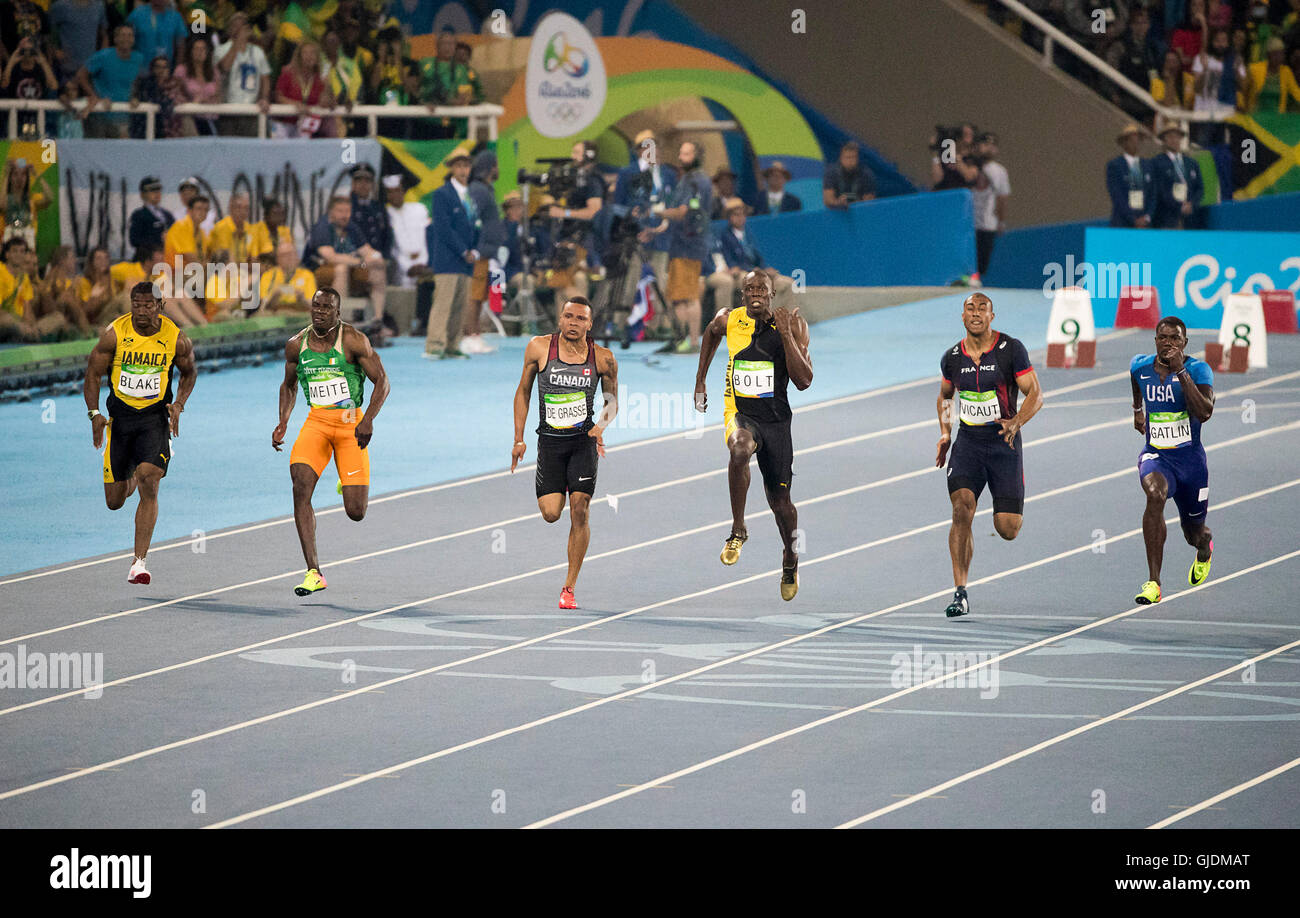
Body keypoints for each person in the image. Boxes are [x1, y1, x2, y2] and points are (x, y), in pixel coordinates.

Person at [694, 270, 812, 600]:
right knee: (739, 450)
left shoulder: (793, 325)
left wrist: (787, 334)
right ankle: (738, 529)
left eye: (762, 288)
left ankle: (790, 557)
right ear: (742, 294)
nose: (756, 293)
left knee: (781, 504)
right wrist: (700, 380)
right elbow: (710, 333)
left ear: (773, 294)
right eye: (750, 289)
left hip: (776, 422)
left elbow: (804, 381)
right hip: (740, 414)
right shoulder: (729, 320)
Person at [272, 286, 391, 597]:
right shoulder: (296, 345)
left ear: (338, 313)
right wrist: (283, 420)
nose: (320, 312)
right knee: (300, 485)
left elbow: (383, 382)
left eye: (326, 308)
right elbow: (288, 385)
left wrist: (368, 420)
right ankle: (314, 571)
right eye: (316, 307)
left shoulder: (352, 340)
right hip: (317, 423)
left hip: (351, 425)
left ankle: (346, 479)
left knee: (356, 511)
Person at [935, 293, 1042, 618]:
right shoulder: (952, 357)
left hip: (1003, 443)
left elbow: (1035, 394)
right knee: (961, 510)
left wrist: (1016, 421)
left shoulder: (1012, 350)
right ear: (963, 315)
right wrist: (945, 432)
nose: (976, 313)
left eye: (983, 308)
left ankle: (1007, 505)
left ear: (992, 316)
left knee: (1008, 528)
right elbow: (944, 396)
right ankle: (960, 592)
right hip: (968, 442)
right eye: (970, 308)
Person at [83, 281, 197, 585]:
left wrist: (179, 404)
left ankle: (139, 562)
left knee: (150, 479)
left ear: (160, 307)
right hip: (119, 421)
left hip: (153, 419)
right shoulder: (115, 335)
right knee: (115, 500)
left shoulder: (175, 338)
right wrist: (94, 414)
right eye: (137, 305)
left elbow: (189, 372)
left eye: (148, 306)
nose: (142, 311)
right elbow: (93, 373)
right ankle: (132, 469)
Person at [510, 296, 618, 610]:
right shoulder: (539, 348)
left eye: (580, 319)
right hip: (550, 442)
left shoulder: (603, 358)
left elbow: (612, 401)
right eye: (568, 317)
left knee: (580, 509)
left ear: (590, 324)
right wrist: (519, 439)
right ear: (560, 319)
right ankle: (567, 486)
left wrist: (601, 425)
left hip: (583, 441)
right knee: (551, 514)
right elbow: (523, 391)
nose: (573, 323)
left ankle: (569, 587)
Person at [1131, 316, 1215, 605]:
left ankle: (1204, 549)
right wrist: (1137, 409)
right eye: (1163, 338)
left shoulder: (1198, 370)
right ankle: (1153, 582)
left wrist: (1181, 372)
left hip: (1191, 464)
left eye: (1175, 339)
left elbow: (1204, 412)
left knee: (1194, 534)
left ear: (1185, 343)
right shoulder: (1140, 366)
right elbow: (1134, 377)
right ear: (1155, 340)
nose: (1168, 343)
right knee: (1155, 494)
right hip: (1157, 455)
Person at [655, 140, 711, 353]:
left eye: (686, 153)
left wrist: (658, 211)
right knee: (683, 295)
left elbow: (682, 212)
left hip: (688, 245)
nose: (681, 157)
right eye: (680, 152)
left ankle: (689, 341)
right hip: (685, 244)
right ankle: (687, 340)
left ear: (697, 156)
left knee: (685, 296)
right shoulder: (690, 179)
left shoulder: (694, 181)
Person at [303, 195, 387, 328]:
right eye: (340, 211)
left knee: (378, 270)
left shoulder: (351, 227)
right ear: (331, 212)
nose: (345, 215)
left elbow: (367, 251)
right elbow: (330, 257)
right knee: (341, 268)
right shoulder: (322, 227)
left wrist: (376, 258)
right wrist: (361, 262)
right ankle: (341, 319)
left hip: (350, 268)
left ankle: (378, 319)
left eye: (347, 211)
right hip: (317, 271)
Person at [425, 152, 479, 359]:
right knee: (443, 303)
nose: (463, 170)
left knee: (460, 305)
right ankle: (435, 344)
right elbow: (443, 228)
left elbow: (476, 226)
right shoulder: (442, 194)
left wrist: (475, 250)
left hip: (467, 261)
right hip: (448, 259)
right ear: (452, 169)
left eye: (466, 165)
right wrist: (463, 250)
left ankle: (452, 344)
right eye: (459, 166)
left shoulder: (472, 195)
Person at [715, 198, 795, 310]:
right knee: (755, 282)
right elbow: (729, 260)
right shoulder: (724, 236)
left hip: (755, 270)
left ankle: (786, 321)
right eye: (736, 215)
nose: (740, 217)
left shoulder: (748, 234)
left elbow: (757, 256)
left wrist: (765, 269)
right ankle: (758, 322)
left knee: (788, 283)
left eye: (742, 214)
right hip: (740, 273)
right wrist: (753, 270)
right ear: (729, 218)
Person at [464, 149, 501, 354]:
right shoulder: (478, 189)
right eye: (495, 165)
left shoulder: (485, 188)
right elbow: (471, 218)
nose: (498, 169)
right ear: (490, 168)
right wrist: (475, 248)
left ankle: (475, 334)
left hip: (486, 250)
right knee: (474, 295)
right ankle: (470, 335)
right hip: (479, 250)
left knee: (479, 294)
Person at [78, 23, 143, 139]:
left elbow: (139, 83)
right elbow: (81, 75)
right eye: (123, 35)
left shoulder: (139, 59)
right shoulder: (103, 56)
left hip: (126, 117)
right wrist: (94, 96)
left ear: (134, 39)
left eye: (130, 35)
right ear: (116, 39)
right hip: (101, 116)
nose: (126, 39)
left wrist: (136, 97)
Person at [215, 12, 273, 137]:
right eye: (235, 26)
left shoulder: (258, 52)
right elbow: (224, 68)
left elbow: (265, 79)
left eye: (243, 26)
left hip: (251, 111)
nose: (239, 29)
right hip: (228, 111)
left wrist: (264, 97)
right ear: (230, 29)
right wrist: (237, 43)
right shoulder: (221, 49)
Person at [273, 40, 334, 138]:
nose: (309, 56)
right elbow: (278, 97)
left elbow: (327, 102)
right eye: (305, 53)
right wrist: (296, 104)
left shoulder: (320, 79)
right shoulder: (288, 74)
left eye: (312, 53)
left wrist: (327, 85)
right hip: (285, 122)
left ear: (317, 58)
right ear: (299, 56)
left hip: (307, 125)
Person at [1, 34, 59, 135]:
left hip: (37, 116)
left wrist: (42, 61)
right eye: (24, 49)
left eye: (30, 50)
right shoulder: (14, 68)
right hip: (17, 117)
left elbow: (54, 86)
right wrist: (12, 60)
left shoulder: (40, 68)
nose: (27, 53)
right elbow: (4, 85)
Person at [1150, 121, 1203, 229]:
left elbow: (1200, 188)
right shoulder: (1157, 162)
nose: (1174, 140)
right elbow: (1160, 189)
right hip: (1166, 217)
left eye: (1177, 137)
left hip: (1190, 217)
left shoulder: (1191, 163)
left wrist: (1192, 204)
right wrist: (1178, 206)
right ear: (1164, 140)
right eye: (1170, 137)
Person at [971, 132, 1010, 278]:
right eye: (985, 144)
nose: (989, 148)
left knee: (981, 265)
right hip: (969, 224)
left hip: (987, 225)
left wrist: (1001, 220)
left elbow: (1002, 198)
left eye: (992, 145)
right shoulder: (969, 166)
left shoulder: (999, 171)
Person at [384, 173, 430, 290]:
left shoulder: (419, 209)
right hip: (401, 266)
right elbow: (394, 249)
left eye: (398, 190)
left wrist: (423, 263)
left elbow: (427, 238)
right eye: (390, 192)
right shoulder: (385, 214)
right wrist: (407, 267)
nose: (395, 195)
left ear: (403, 191)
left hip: (424, 261)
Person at [48, 0, 110, 85]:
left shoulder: (99, 5)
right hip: (67, 69)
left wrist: (102, 58)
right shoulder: (60, 6)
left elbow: (104, 34)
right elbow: (47, 32)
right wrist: (55, 50)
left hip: (91, 69)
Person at [1107, 123, 1154, 227]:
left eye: (1138, 140)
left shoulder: (1147, 165)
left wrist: (1147, 217)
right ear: (1124, 143)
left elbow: (1153, 193)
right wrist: (1132, 218)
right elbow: (1117, 195)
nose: (1136, 143)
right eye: (1132, 140)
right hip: (1122, 221)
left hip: (1144, 221)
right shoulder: (1115, 165)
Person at [173, 33, 220, 136]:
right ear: (191, 51)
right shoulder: (181, 71)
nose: (200, 52)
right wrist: (194, 102)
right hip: (191, 119)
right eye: (196, 49)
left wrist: (210, 99)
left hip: (211, 118)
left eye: (203, 49)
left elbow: (219, 94)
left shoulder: (214, 72)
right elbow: (175, 95)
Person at [260, 239, 317, 312]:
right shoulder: (268, 276)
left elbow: (312, 305)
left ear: (297, 256)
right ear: (278, 259)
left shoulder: (307, 275)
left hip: (299, 314)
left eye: (291, 253)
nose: (289, 257)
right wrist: (275, 296)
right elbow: (263, 306)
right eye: (284, 255)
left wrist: (302, 299)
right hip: (276, 314)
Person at [127, 0, 187, 68]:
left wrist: (178, 69)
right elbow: (125, 42)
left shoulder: (175, 17)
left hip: (166, 72)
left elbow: (181, 46)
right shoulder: (137, 14)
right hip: (141, 70)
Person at [1247, 37, 1300, 112]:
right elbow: (1245, 91)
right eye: (1275, 54)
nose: (1279, 57)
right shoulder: (1254, 69)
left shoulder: (1286, 72)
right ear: (1268, 55)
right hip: (1255, 116)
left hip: (1277, 118)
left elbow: (1296, 93)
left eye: (1281, 54)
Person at [128, 176, 174, 256]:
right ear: (143, 194)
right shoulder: (138, 215)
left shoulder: (167, 214)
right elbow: (134, 241)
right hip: (147, 259)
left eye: (158, 190)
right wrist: (158, 239)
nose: (157, 193)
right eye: (152, 190)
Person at [209, 192, 257, 269]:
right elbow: (227, 261)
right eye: (239, 207)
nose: (242, 211)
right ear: (231, 208)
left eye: (246, 208)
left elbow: (254, 260)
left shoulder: (250, 230)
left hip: (243, 274)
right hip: (222, 272)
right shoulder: (222, 227)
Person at [824, 140, 877, 208]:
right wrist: (838, 203)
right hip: (837, 212)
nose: (850, 161)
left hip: (859, 210)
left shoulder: (866, 174)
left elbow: (869, 202)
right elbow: (828, 200)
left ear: (857, 159)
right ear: (841, 159)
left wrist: (857, 205)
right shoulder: (831, 173)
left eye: (853, 157)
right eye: (847, 157)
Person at [252, 197, 294, 265]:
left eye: (281, 214)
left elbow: (290, 255)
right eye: (275, 214)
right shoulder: (256, 230)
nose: (279, 217)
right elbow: (253, 258)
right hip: (262, 270)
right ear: (266, 216)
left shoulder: (285, 231)